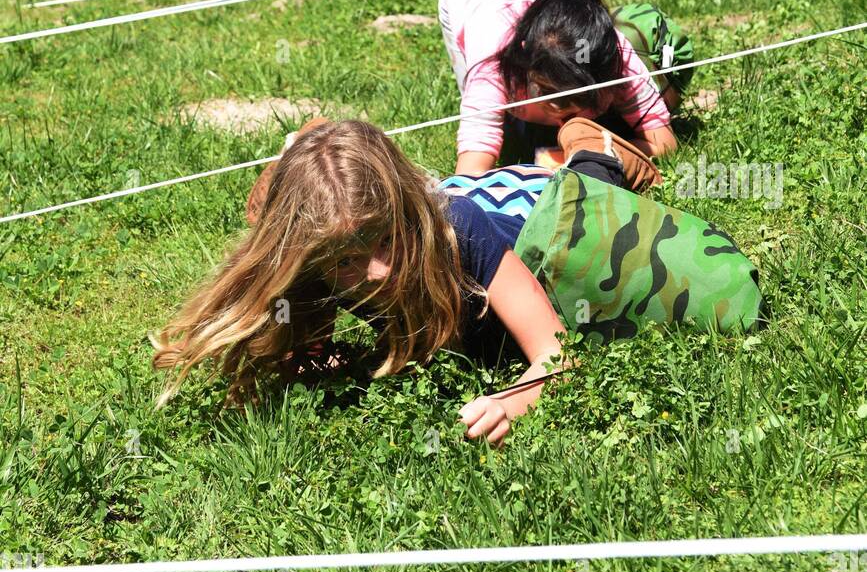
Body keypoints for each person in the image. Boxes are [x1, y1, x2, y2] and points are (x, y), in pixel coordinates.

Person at [153, 119, 762, 446]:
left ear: (405, 219)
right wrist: (302, 363)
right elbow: (292, 343)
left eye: (384, 244)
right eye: (344, 261)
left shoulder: (458, 230)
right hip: (447, 203)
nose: (373, 273)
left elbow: (557, 351)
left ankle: (591, 144)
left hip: (523, 215)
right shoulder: (318, 254)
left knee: (590, 207)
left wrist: (518, 397)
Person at [437, 0, 677, 175]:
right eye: (546, 91)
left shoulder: (615, 57)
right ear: (525, 62)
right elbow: (470, 173)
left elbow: (665, 143)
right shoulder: (490, 67)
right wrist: (525, 172)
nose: (557, 107)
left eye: (576, 98)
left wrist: (607, 155)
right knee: (492, 117)